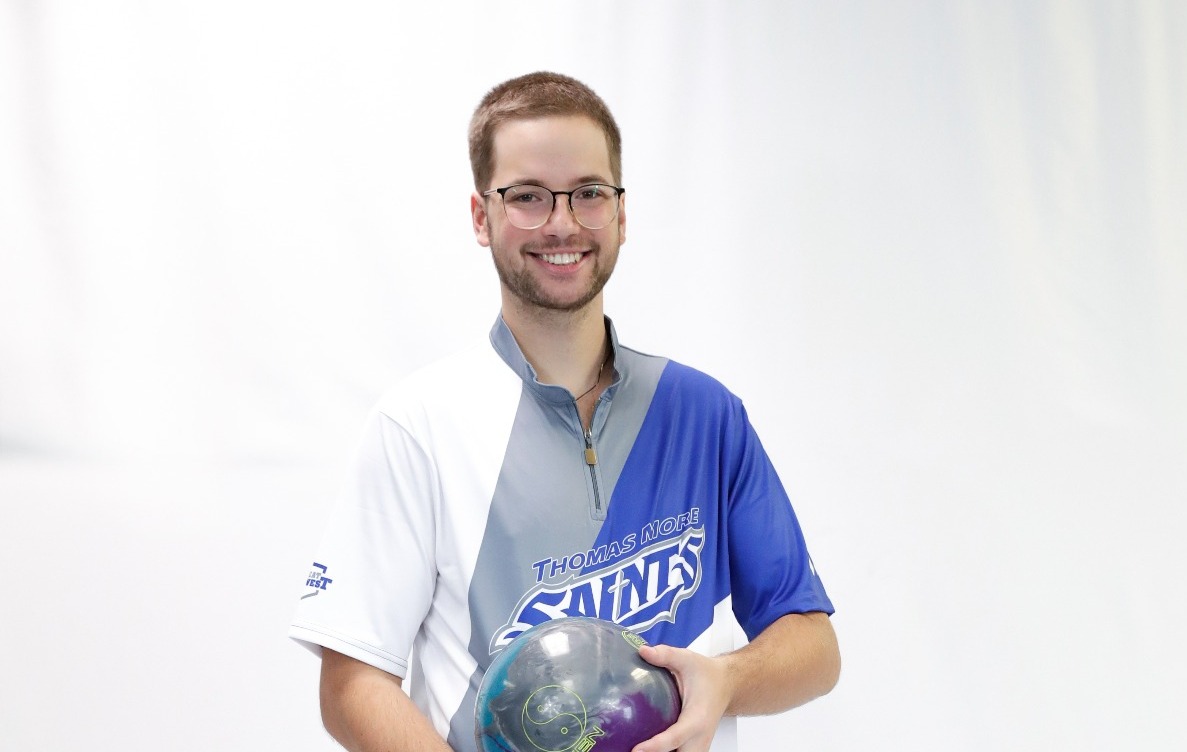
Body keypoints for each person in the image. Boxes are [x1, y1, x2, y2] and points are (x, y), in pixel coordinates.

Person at [289, 71, 840, 752]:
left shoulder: (705, 413)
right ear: (479, 216)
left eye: (588, 193)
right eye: (526, 196)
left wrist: (725, 680)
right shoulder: (419, 424)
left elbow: (813, 645)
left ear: (621, 213)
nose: (561, 223)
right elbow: (351, 681)